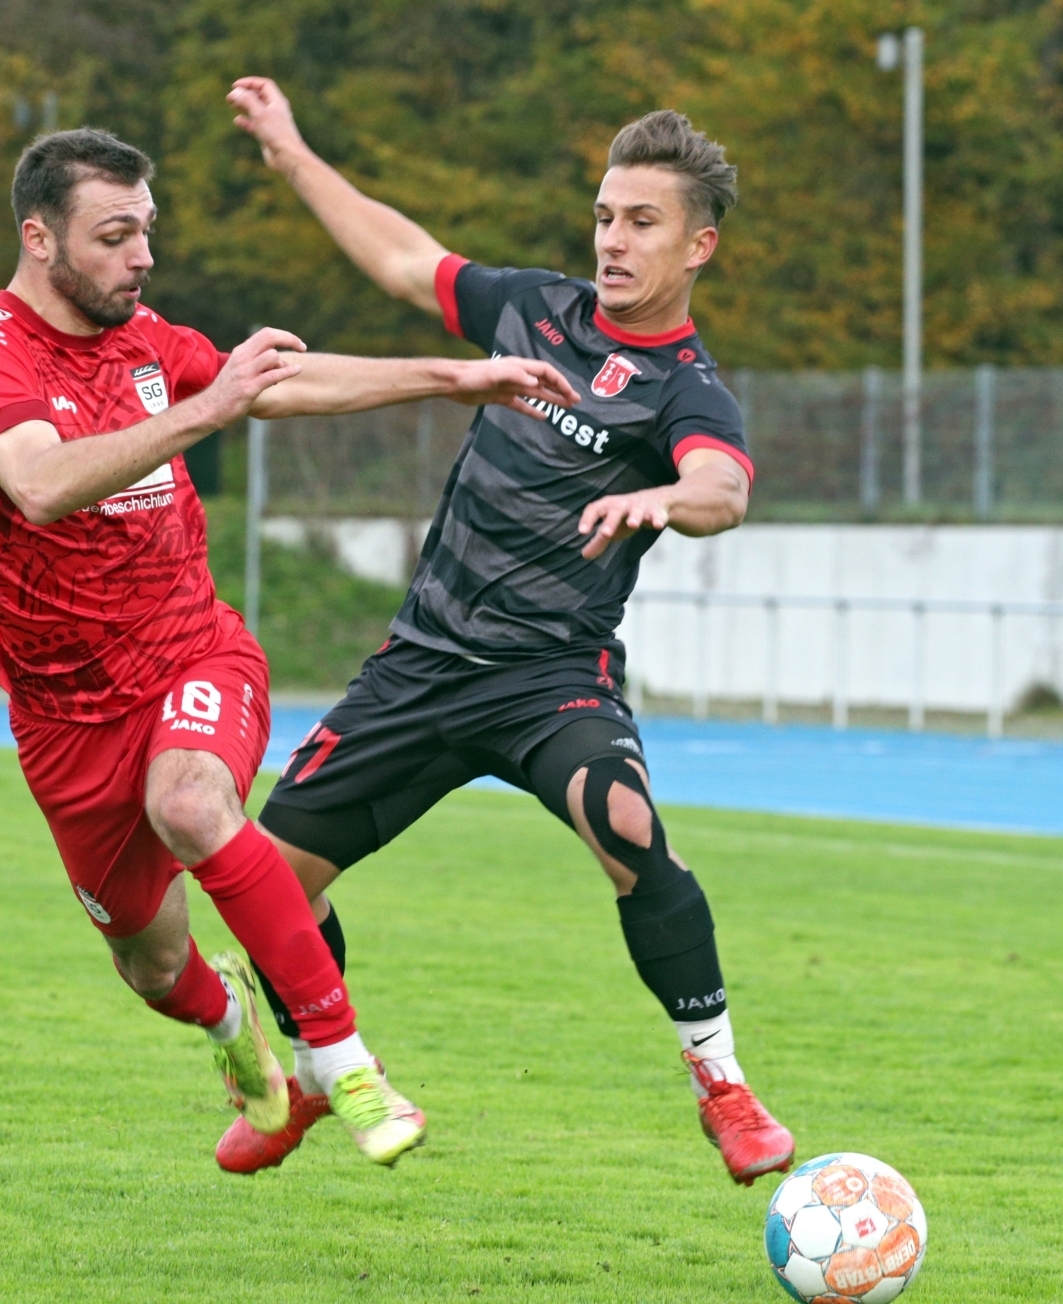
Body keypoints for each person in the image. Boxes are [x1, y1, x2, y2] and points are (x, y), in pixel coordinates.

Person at [0, 127, 578, 1166]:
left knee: (191, 802)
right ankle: (234, 1028)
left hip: (191, 648)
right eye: (115, 235)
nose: (143, 256)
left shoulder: (146, 338)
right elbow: (41, 484)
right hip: (62, 710)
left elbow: (278, 381)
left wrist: (454, 378)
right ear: (39, 238)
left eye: (148, 230)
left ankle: (345, 1061)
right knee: (151, 962)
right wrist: (211, 407)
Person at [221, 78, 795, 1185]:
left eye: (642, 222)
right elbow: (400, 254)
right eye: (604, 215)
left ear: (699, 246)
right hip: (423, 667)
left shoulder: (688, 391)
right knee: (263, 879)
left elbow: (722, 488)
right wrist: (291, 149)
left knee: (628, 827)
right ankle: (309, 1071)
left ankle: (722, 1082)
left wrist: (660, 499)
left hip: (548, 679)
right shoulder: (533, 307)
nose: (613, 241)